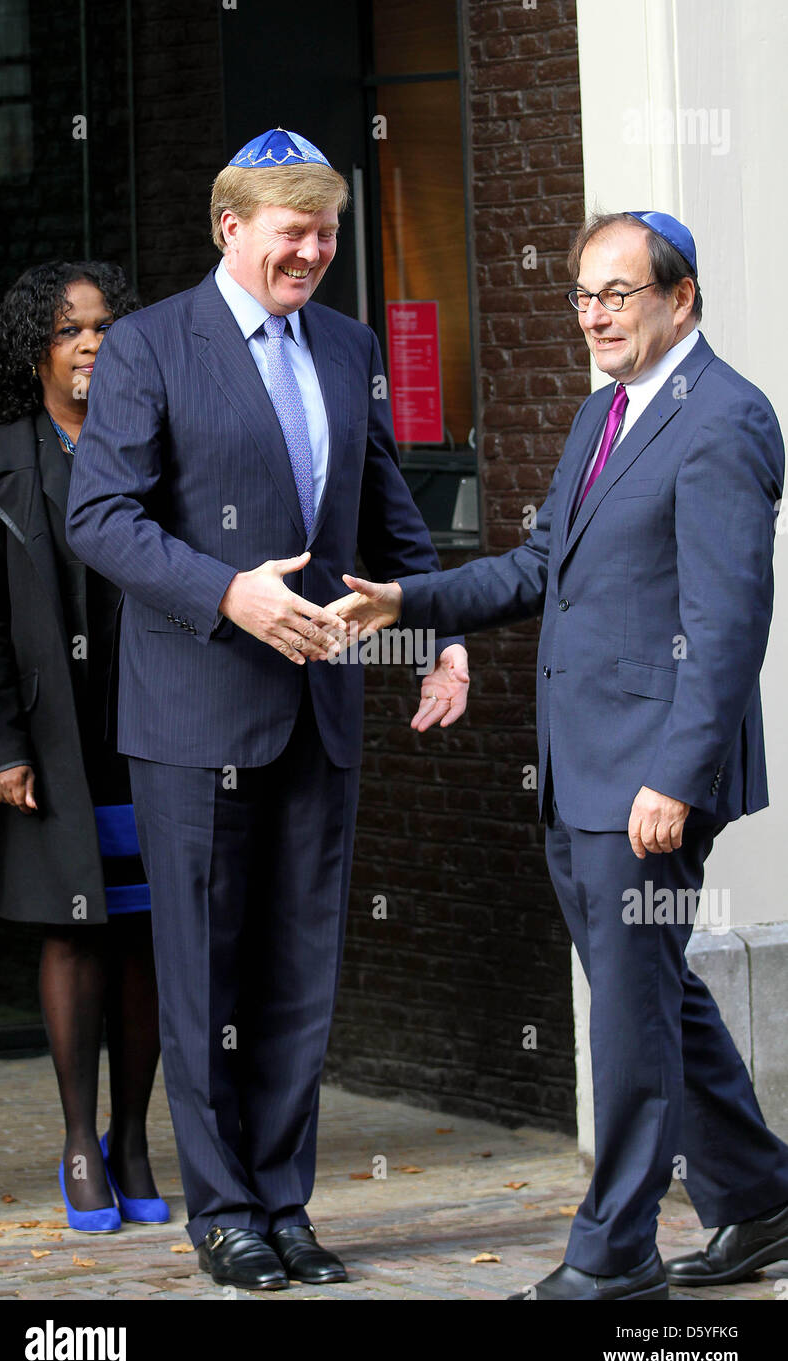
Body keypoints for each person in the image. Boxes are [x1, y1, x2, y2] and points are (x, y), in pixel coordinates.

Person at [329, 210, 788, 1301]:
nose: (596, 315)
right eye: (583, 295)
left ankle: (614, 1249)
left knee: (628, 1015)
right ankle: (762, 1198)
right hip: (582, 769)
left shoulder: (725, 418)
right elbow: (541, 565)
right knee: (655, 993)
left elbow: (728, 629)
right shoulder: (600, 416)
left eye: (618, 293)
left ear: (682, 299)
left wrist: (675, 777)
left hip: (647, 778)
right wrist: (409, 596)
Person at [66, 129, 468, 1290]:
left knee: (300, 968)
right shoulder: (148, 347)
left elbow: (388, 512)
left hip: (324, 710)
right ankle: (224, 1208)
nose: (315, 250)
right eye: (293, 229)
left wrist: (438, 635)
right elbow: (102, 516)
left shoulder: (346, 345)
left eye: (327, 230)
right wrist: (226, 593)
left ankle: (286, 1203)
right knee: (202, 970)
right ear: (229, 227)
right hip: (195, 713)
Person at [0, 262, 169, 1232]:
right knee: (75, 928)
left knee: (146, 936)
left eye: (104, 327)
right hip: (55, 738)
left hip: (152, 730)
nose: (90, 344)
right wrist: (0, 742)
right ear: (35, 349)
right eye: (68, 330)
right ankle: (79, 1141)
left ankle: (135, 1139)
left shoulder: (154, 446)